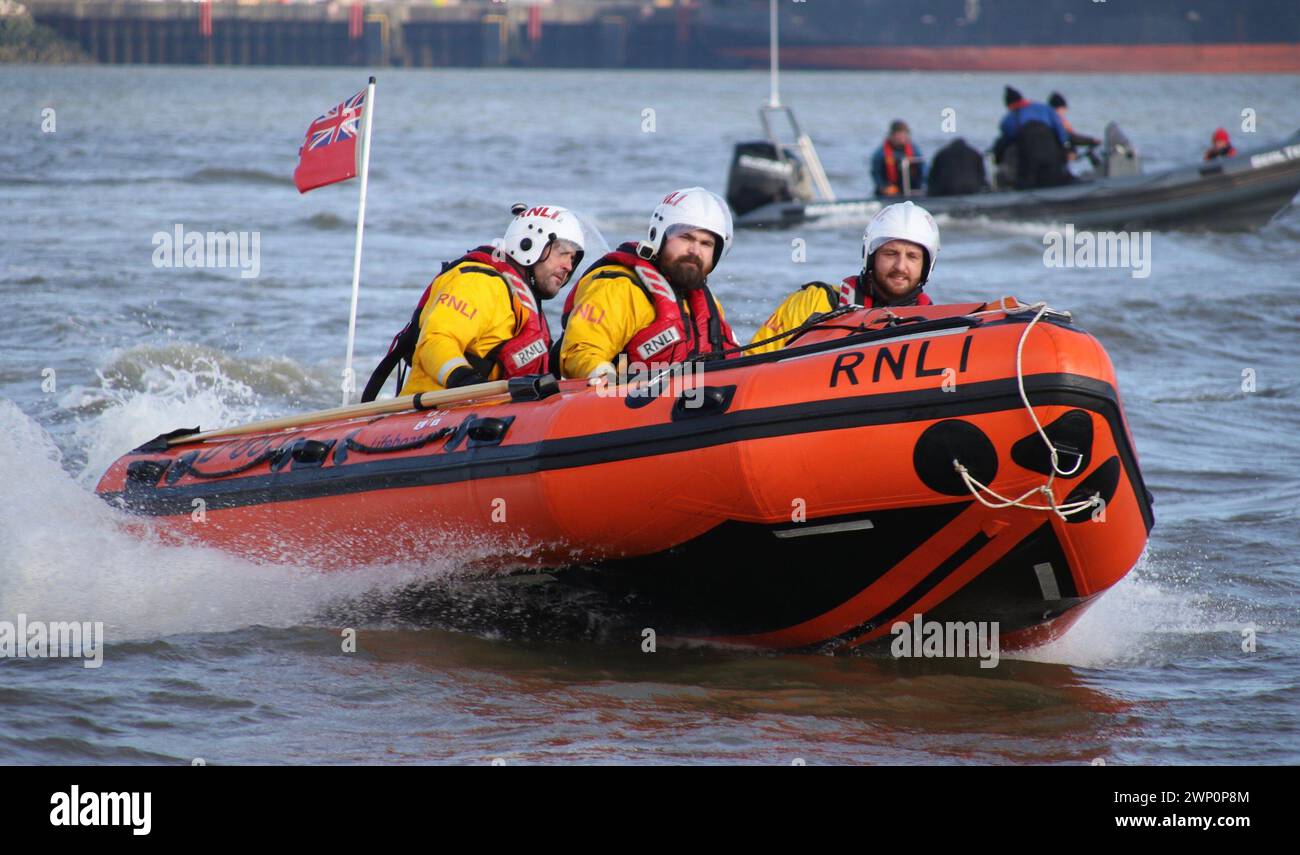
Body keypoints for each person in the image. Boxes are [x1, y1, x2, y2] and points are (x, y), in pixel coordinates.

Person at [361, 203, 585, 400]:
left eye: (573, 259)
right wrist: (465, 380)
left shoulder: (522, 302)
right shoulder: (479, 282)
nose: (568, 266)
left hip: (493, 416)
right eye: (563, 253)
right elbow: (436, 341)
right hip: (439, 412)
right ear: (531, 243)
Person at [558, 187, 738, 382]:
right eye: (686, 238)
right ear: (660, 236)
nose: (695, 250)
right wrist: (604, 379)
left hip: (693, 403)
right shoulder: (619, 288)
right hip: (627, 404)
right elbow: (581, 352)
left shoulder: (707, 302)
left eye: (706, 244)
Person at [747, 201, 939, 356]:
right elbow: (750, 364)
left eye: (912, 256)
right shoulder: (815, 303)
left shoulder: (937, 327)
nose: (900, 266)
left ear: (926, 266)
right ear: (870, 257)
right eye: (890, 253)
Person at [992, 85, 1072, 190]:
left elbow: (1005, 142)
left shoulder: (1008, 120)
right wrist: (1067, 148)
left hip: (1029, 157)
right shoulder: (1046, 109)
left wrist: (997, 158)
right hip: (1051, 153)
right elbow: (1061, 133)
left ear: (1009, 105)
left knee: (1027, 184)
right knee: (1054, 182)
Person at [871, 120, 925, 196]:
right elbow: (876, 173)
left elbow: (923, 171)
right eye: (898, 136)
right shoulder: (881, 154)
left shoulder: (915, 151)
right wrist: (883, 187)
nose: (901, 139)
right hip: (890, 190)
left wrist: (919, 186)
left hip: (911, 190)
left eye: (904, 135)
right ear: (892, 136)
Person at [1047, 92, 1101, 160]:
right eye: (1063, 110)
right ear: (1058, 109)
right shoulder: (1056, 123)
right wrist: (1092, 140)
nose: (1064, 113)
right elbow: (1071, 138)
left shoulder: (1047, 121)